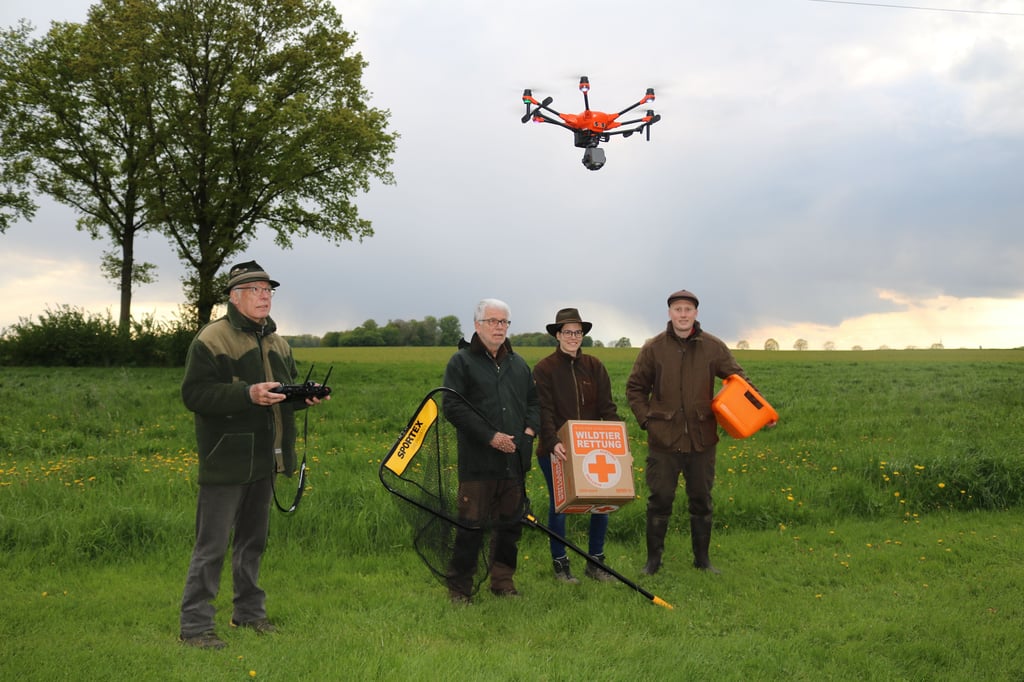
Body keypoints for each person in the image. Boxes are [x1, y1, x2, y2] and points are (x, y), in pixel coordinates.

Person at [178, 260, 327, 649]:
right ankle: (195, 627)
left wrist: (302, 398)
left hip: (265, 459)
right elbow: (194, 395)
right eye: (255, 290)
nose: (265, 297)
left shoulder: (278, 342)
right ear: (235, 296)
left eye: (268, 290)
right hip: (225, 461)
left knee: (252, 544)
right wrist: (247, 394)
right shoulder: (212, 339)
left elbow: (278, 400)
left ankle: (248, 614)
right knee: (211, 547)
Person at [626, 289, 754, 576]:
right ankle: (653, 563)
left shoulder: (713, 347)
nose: (683, 315)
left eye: (688, 309)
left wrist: (759, 412)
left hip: (702, 440)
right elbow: (635, 388)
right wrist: (648, 421)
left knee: (701, 500)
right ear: (670, 313)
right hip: (664, 441)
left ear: (696, 313)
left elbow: (739, 381)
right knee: (659, 500)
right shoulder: (653, 348)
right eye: (677, 309)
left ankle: (702, 561)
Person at [441, 298, 540, 604]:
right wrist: (490, 436)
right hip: (478, 462)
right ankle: (460, 589)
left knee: (511, 525)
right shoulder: (461, 362)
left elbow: (534, 403)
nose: (499, 328)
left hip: (513, 463)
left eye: (504, 322)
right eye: (492, 321)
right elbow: (452, 405)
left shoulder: (519, 364)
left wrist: (528, 432)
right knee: (470, 526)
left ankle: (503, 582)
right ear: (477, 326)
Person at [532, 307, 621, 584]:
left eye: (578, 332)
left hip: (593, 451)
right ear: (557, 335)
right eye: (568, 332)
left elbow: (607, 406)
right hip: (556, 450)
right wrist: (552, 441)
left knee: (601, 503)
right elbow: (543, 410)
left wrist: (619, 442)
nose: (573, 337)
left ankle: (596, 563)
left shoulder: (594, 366)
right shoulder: (544, 369)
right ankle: (561, 564)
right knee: (560, 506)